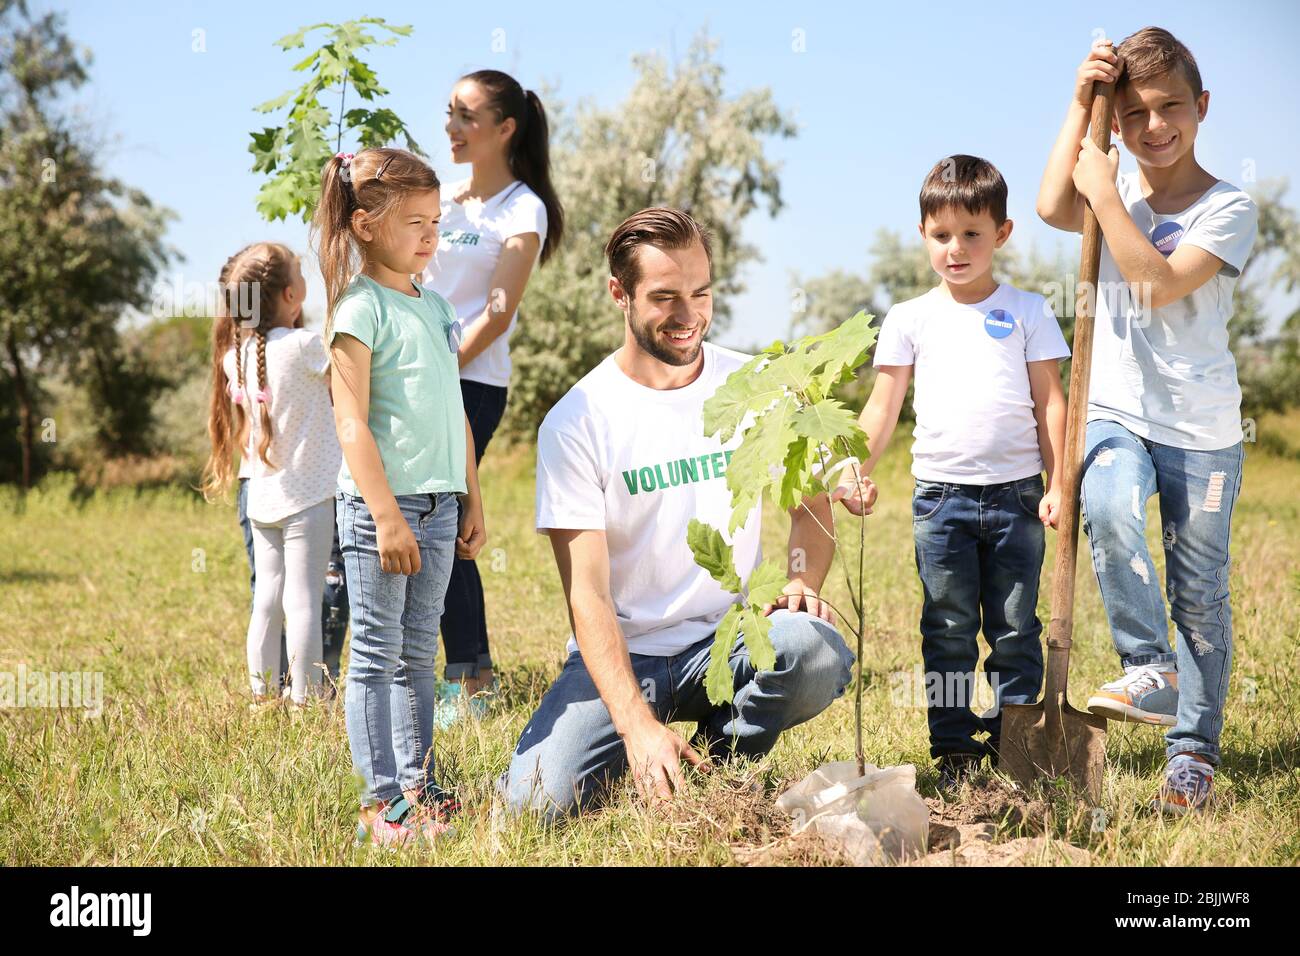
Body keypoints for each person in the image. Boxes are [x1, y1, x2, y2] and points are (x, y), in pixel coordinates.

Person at [501, 207, 854, 819]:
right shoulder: (578, 419)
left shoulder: (753, 385)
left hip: (731, 637)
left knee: (814, 649)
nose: (689, 315)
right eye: (665, 297)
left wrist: (801, 579)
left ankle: (718, 769)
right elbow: (587, 596)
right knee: (536, 808)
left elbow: (810, 504)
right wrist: (635, 727)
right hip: (625, 653)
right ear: (620, 293)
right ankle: (646, 743)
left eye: (701, 292)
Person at [1037, 27, 1258, 814]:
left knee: (1200, 593)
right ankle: (1149, 666)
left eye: (1170, 108)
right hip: (1118, 410)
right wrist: (1078, 106)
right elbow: (1051, 203)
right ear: (1118, 124)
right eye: (1132, 114)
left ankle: (1192, 754)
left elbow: (1157, 283)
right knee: (1103, 504)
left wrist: (1105, 191)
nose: (1153, 127)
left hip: (1202, 433)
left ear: (1201, 108)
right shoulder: (1112, 189)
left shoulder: (1229, 208)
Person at [834, 156, 1071, 791]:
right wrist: (856, 466)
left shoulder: (1029, 310)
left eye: (972, 233)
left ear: (1003, 232)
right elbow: (882, 407)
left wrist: (1059, 484)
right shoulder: (910, 318)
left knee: (1017, 627)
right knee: (947, 626)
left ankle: (1017, 747)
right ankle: (955, 749)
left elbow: (1051, 401)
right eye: (942, 235)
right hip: (940, 501)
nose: (956, 248)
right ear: (923, 235)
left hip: (1019, 499)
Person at [314, 147, 487, 846]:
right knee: (376, 656)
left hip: (441, 506)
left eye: (434, 221)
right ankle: (379, 802)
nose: (429, 236)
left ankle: (420, 787)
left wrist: (472, 497)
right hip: (381, 510)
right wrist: (385, 514)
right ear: (363, 224)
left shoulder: (439, 307)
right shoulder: (360, 309)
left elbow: (456, 412)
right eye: (413, 222)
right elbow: (350, 421)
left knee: (421, 655)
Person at [421, 69, 565, 720]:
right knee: (431, 518)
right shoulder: (443, 199)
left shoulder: (522, 208)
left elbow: (499, 312)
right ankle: (465, 669)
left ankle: (472, 681)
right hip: (419, 376)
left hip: (471, 382)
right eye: (449, 112)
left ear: (506, 129)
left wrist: (436, 365)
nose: (451, 126)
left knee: (446, 522)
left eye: (466, 116)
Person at [202, 242, 341, 706]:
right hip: (310, 496)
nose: (306, 279)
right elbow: (354, 378)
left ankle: (262, 694)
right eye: (301, 272)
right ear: (289, 295)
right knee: (304, 600)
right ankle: (307, 699)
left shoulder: (234, 357)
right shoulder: (306, 347)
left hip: (261, 498)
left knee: (267, 597)